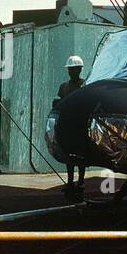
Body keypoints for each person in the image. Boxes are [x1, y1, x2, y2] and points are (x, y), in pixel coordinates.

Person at [56, 55, 87, 199]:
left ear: (80, 69)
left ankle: (81, 182)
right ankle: (70, 182)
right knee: (69, 155)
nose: (71, 71)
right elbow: (60, 102)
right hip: (67, 124)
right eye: (70, 69)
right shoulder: (64, 86)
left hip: (80, 125)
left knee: (80, 155)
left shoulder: (85, 85)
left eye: (74, 69)